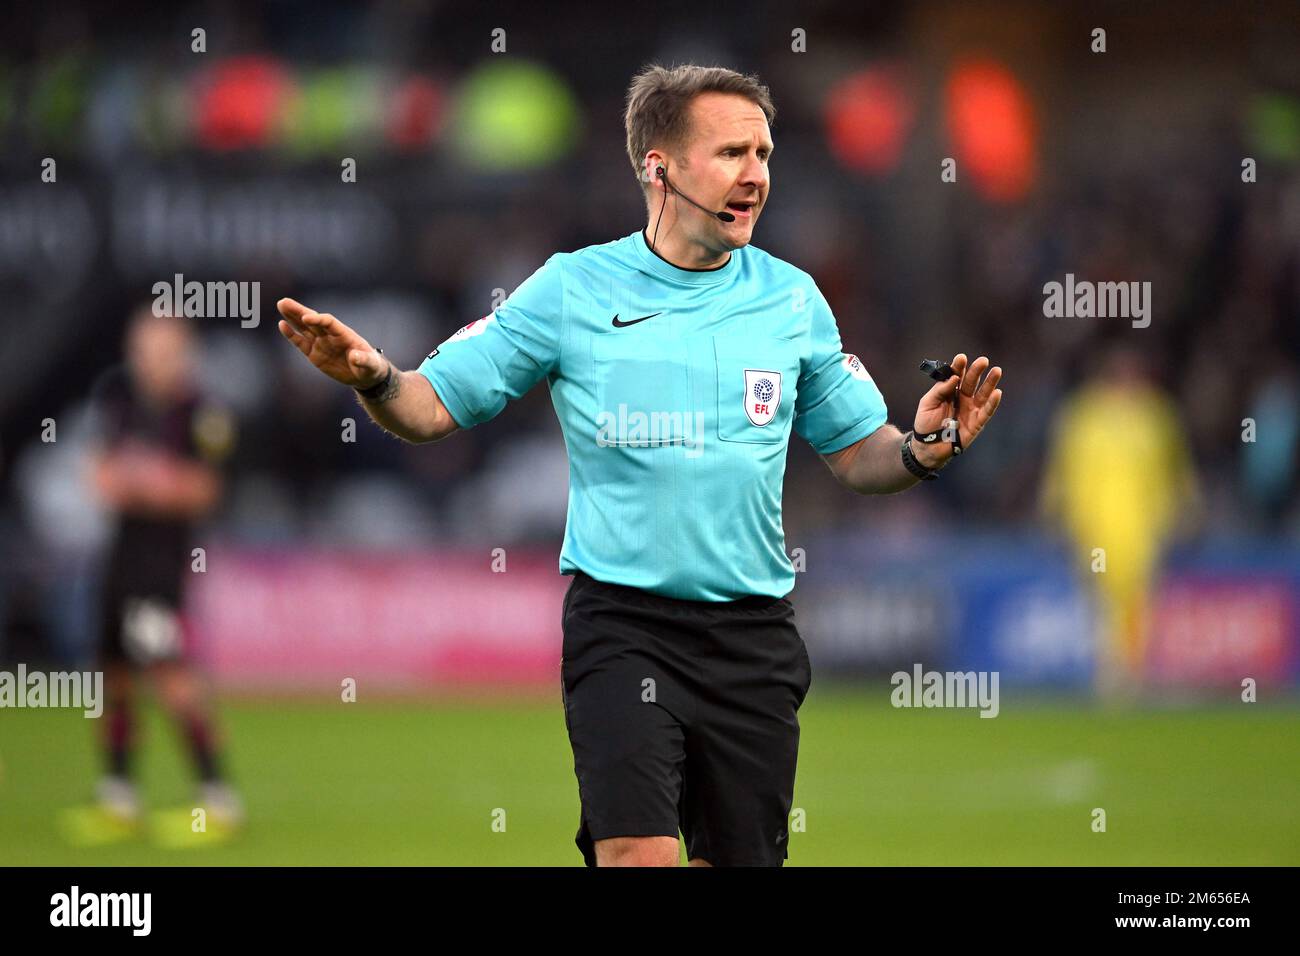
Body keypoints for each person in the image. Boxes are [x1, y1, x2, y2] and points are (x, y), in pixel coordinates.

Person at [277, 64, 1003, 866]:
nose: (756, 175)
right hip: (624, 627)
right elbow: (431, 407)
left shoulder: (793, 299)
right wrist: (375, 376)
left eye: (763, 153)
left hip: (751, 637)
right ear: (659, 167)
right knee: (637, 855)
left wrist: (923, 448)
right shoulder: (571, 288)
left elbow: (861, 455)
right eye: (731, 153)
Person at [66, 306, 243, 846]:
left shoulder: (203, 414)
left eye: (164, 351)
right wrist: (137, 481)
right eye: (144, 349)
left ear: (183, 354)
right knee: (113, 677)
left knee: (170, 676)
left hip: (161, 565)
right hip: (120, 557)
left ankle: (219, 799)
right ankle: (119, 797)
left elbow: (207, 490)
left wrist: (150, 483)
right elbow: (98, 475)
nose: (152, 362)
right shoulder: (117, 401)